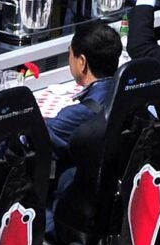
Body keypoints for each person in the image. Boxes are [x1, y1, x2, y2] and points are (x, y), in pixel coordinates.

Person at [47, 20, 123, 189]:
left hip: (79, 199)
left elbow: (36, 139)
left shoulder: (77, 114)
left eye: (70, 53)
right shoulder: (127, 94)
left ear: (82, 62)